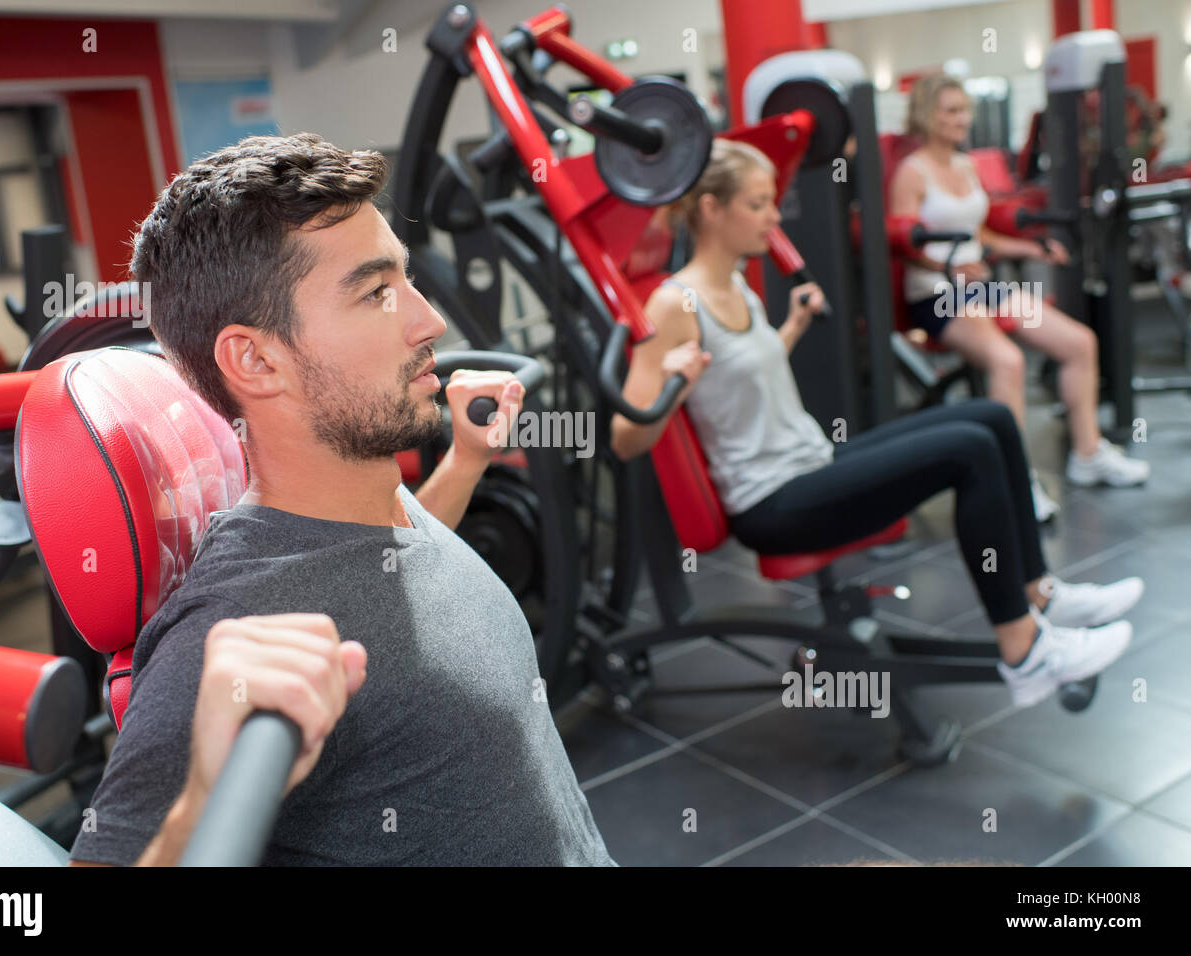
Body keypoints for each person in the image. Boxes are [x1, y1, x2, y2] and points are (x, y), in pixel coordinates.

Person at [69, 133, 615, 866]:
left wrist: (466, 461)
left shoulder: (363, 496)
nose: (429, 322)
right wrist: (199, 807)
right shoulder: (233, 626)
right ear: (256, 360)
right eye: (376, 292)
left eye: (408, 281)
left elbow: (394, 574)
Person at [608, 138, 1143, 709]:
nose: (773, 218)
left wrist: (789, 329)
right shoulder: (674, 304)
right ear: (712, 209)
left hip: (808, 463)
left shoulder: (737, 284)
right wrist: (673, 384)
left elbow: (741, 378)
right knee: (968, 450)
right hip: (773, 503)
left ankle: (1039, 594)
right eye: (759, 204)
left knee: (989, 417)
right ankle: (1024, 651)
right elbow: (625, 438)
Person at [889, 73, 1149, 522]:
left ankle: (1087, 454)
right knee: (1008, 361)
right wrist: (946, 267)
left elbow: (980, 233)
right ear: (926, 116)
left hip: (981, 286)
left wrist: (1030, 247)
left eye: (963, 109)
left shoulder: (966, 166)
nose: (959, 119)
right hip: (936, 295)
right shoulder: (911, 174)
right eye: (949, 111)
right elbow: (902, 242)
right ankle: (1015, 481)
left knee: (1078, 343)